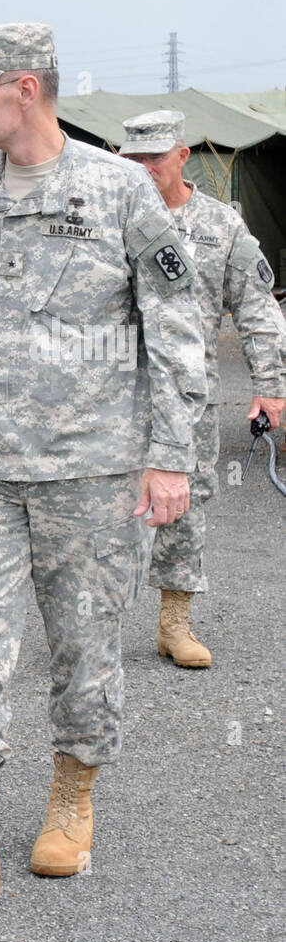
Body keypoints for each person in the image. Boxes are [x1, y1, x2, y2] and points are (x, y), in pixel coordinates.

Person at [0, 24, 207, 898]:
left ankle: (72, 800)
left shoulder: (120, 190)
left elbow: (176, 330)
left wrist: (170, 457)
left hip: (94, 471)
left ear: (25, 89)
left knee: (85, 649)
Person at [119, 110, 286, 667]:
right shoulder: (107, 216)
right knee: (93, 504)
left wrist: (270, 383)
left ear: (182, 155)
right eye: (132, 158)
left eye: (154, 157)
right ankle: (89, 626)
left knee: (184, 507)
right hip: (109, 392)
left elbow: (257, 309)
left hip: (191, 395)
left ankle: (174, 623)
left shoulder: (220, 224)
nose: (144, 168)